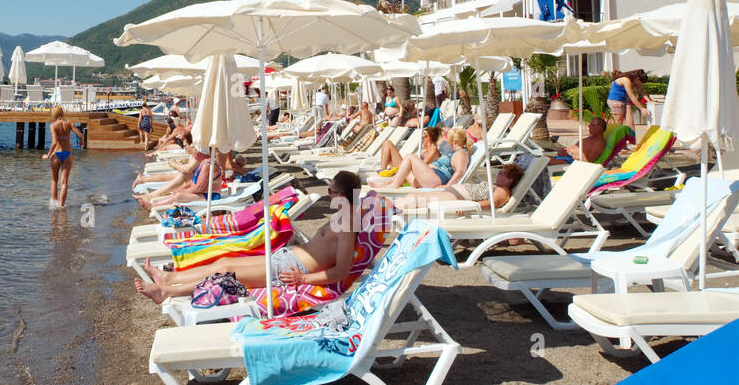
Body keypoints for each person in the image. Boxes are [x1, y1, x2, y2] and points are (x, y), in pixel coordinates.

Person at [134, 171, 364, 305]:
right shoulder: (342, 218)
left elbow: (341, 272)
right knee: (222, 263)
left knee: (225, 275)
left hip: (292, 268)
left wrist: (303, 280)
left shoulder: (348, 225)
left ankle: (167, 292)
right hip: (286, 258)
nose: (329, 194)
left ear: (342, 195)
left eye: (331, 191)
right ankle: (169, 278)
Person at [394, 162, 524, 213]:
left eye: (502, 174)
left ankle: (387, 212)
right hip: (455, 193)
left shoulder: (503, 191)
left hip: (458, 198)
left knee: (416, 199)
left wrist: (467, 208)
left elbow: (491, 204)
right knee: (416, 197)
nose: (498, 174)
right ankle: (387, 209)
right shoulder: (498, 186)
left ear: (510, 179)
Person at [369, 126, 467, 189]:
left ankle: (393, 184)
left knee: (410, 157)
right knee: (404, 163)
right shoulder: (456, 152)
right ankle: (389, 183)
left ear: (453, 142)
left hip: (434, 178)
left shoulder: (460, 153)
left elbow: (460, 171)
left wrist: (448, 187)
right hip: (428, 178)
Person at [43, 105, 82, 208]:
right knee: (64, 182)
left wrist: (48, 155)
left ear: (54, 114)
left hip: (57, 154)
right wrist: (81, 142)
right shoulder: (69, 123)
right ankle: (61, 206)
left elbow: (55, 142)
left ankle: (54, 204)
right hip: (67, 153)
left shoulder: (53, 125)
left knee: (54, 180)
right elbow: (81, 135)